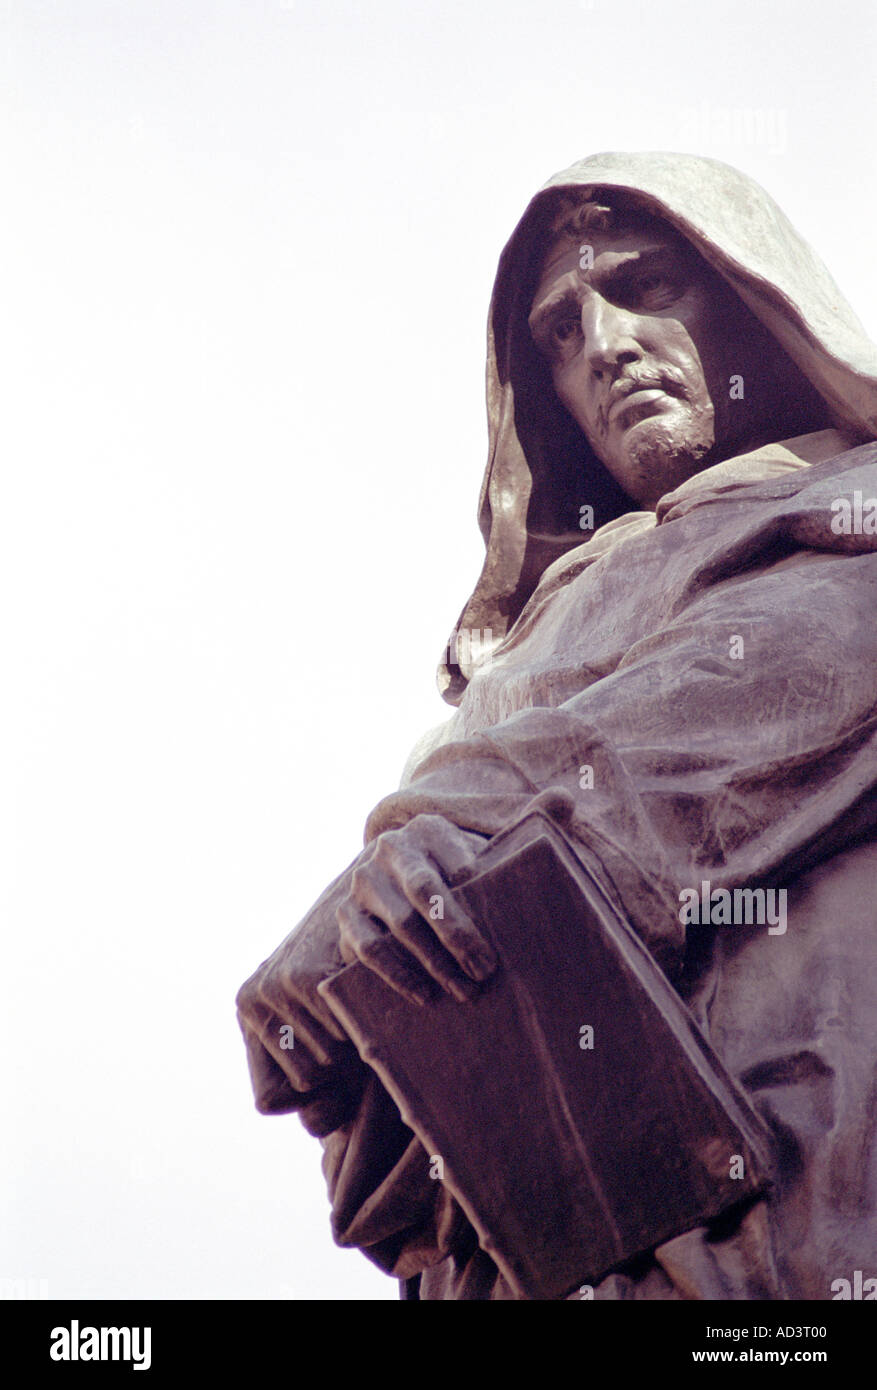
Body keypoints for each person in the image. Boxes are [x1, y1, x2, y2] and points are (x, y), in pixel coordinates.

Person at [237, 152, 877, 1300]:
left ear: (753, 299)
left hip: (804, 1195)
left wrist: (442, 841)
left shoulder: (848, 512)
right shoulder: (535, 653)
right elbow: (377, 1145)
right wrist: (351, 1017)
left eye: (648, 288)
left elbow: (751, 705)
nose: (607, 345)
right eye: (562, 335)